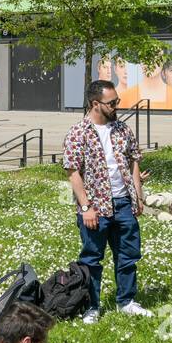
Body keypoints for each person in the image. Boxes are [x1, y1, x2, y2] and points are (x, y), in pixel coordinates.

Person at [62, 79, 150, 323]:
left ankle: (126, 301)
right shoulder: (78, 133)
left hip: (124, 203)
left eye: (117, 101)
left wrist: (137, 195)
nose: (116, 106)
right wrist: (86, 207)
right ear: (95, 104)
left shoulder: (123, 129)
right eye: (112, 103)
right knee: (91, 258)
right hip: (96, 207)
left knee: (128, 255)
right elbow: (73, 172)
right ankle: (92, 307)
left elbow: (133, 161)